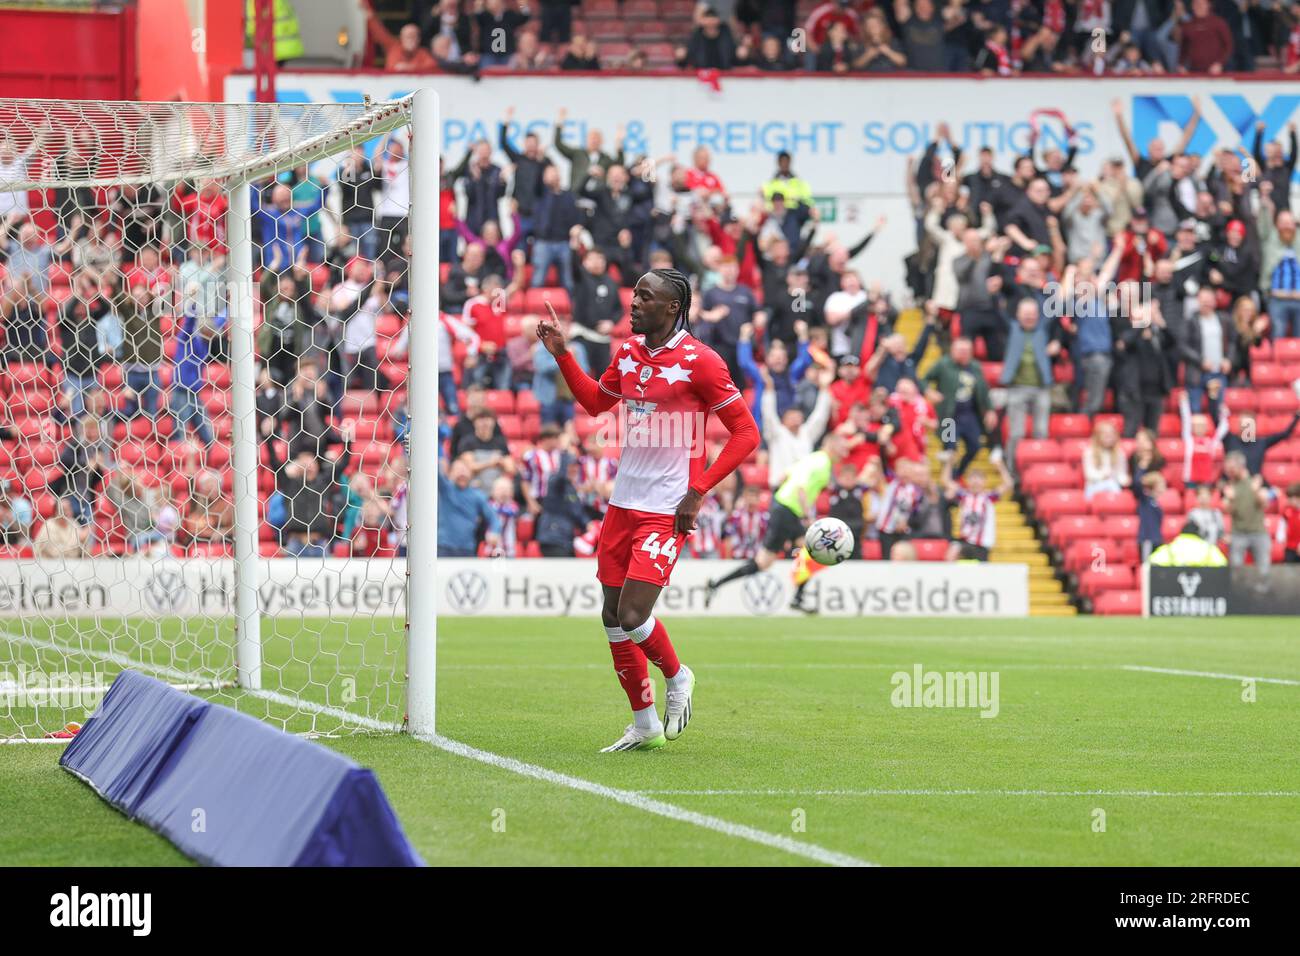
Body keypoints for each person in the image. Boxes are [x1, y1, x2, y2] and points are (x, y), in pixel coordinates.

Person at [535, 268, 759, 752]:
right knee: (612, 618)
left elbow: (747, 434)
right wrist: (562, 355)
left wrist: (697, 491)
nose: (633, 303)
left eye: (644, 296)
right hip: (623, 503)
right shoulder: (628, 352)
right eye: (634, 294)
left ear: (672, 307)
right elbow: (597, 403)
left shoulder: (703, 362)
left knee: (636, 613)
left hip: (666, 507)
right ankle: (644, 725)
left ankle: (678, 677)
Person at [706, 431, 853, 613]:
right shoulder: (822, 463)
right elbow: (800, 486)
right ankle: (717, 583)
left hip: (785, 508)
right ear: (831, 444)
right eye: (842, 447)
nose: (845, 451)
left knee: (808, 551)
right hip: (788, 510)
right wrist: (809, 517)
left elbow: (784, 476)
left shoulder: (813, 458)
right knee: (766, 561)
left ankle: (798, 596)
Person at [942, 454, 1012, 562]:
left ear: (984, 482)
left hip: (981, 544)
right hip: (965, 540)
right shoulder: (964, 495)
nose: (975, 481)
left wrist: (1001, 466)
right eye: (972, 478)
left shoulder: (988, 497)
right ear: (968, 481)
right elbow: (945, 481)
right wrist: (949, 463)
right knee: (953, 551)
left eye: (979, 478)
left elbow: (1008, 484)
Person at [1223, 451, 1271, 575]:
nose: (1229, 472)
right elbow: (1228, 511)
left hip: (1258, 532)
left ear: (1241, 466)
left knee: (1264, 570)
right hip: (1238, 533)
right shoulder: (1229, 486)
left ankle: (1263, 592)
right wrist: (1231, 499)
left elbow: (1265, 505)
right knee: (1236, 570)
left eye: (1232, 469)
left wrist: (1256, 491)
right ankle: (1237, 593)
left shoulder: (1256, 481)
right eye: (1228, 469)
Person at [1148, 522, 1228, 566]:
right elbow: (1223, 564)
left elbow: (1152, 562)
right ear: (1198, 533)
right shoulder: (1209, 549)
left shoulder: (1169, 549)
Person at [1277, 482, 1300, 564]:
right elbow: (1282, 525)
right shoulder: (1287, 511)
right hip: (1290, 547)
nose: (1289, 500)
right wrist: (1280, 535)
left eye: (1291, 498)